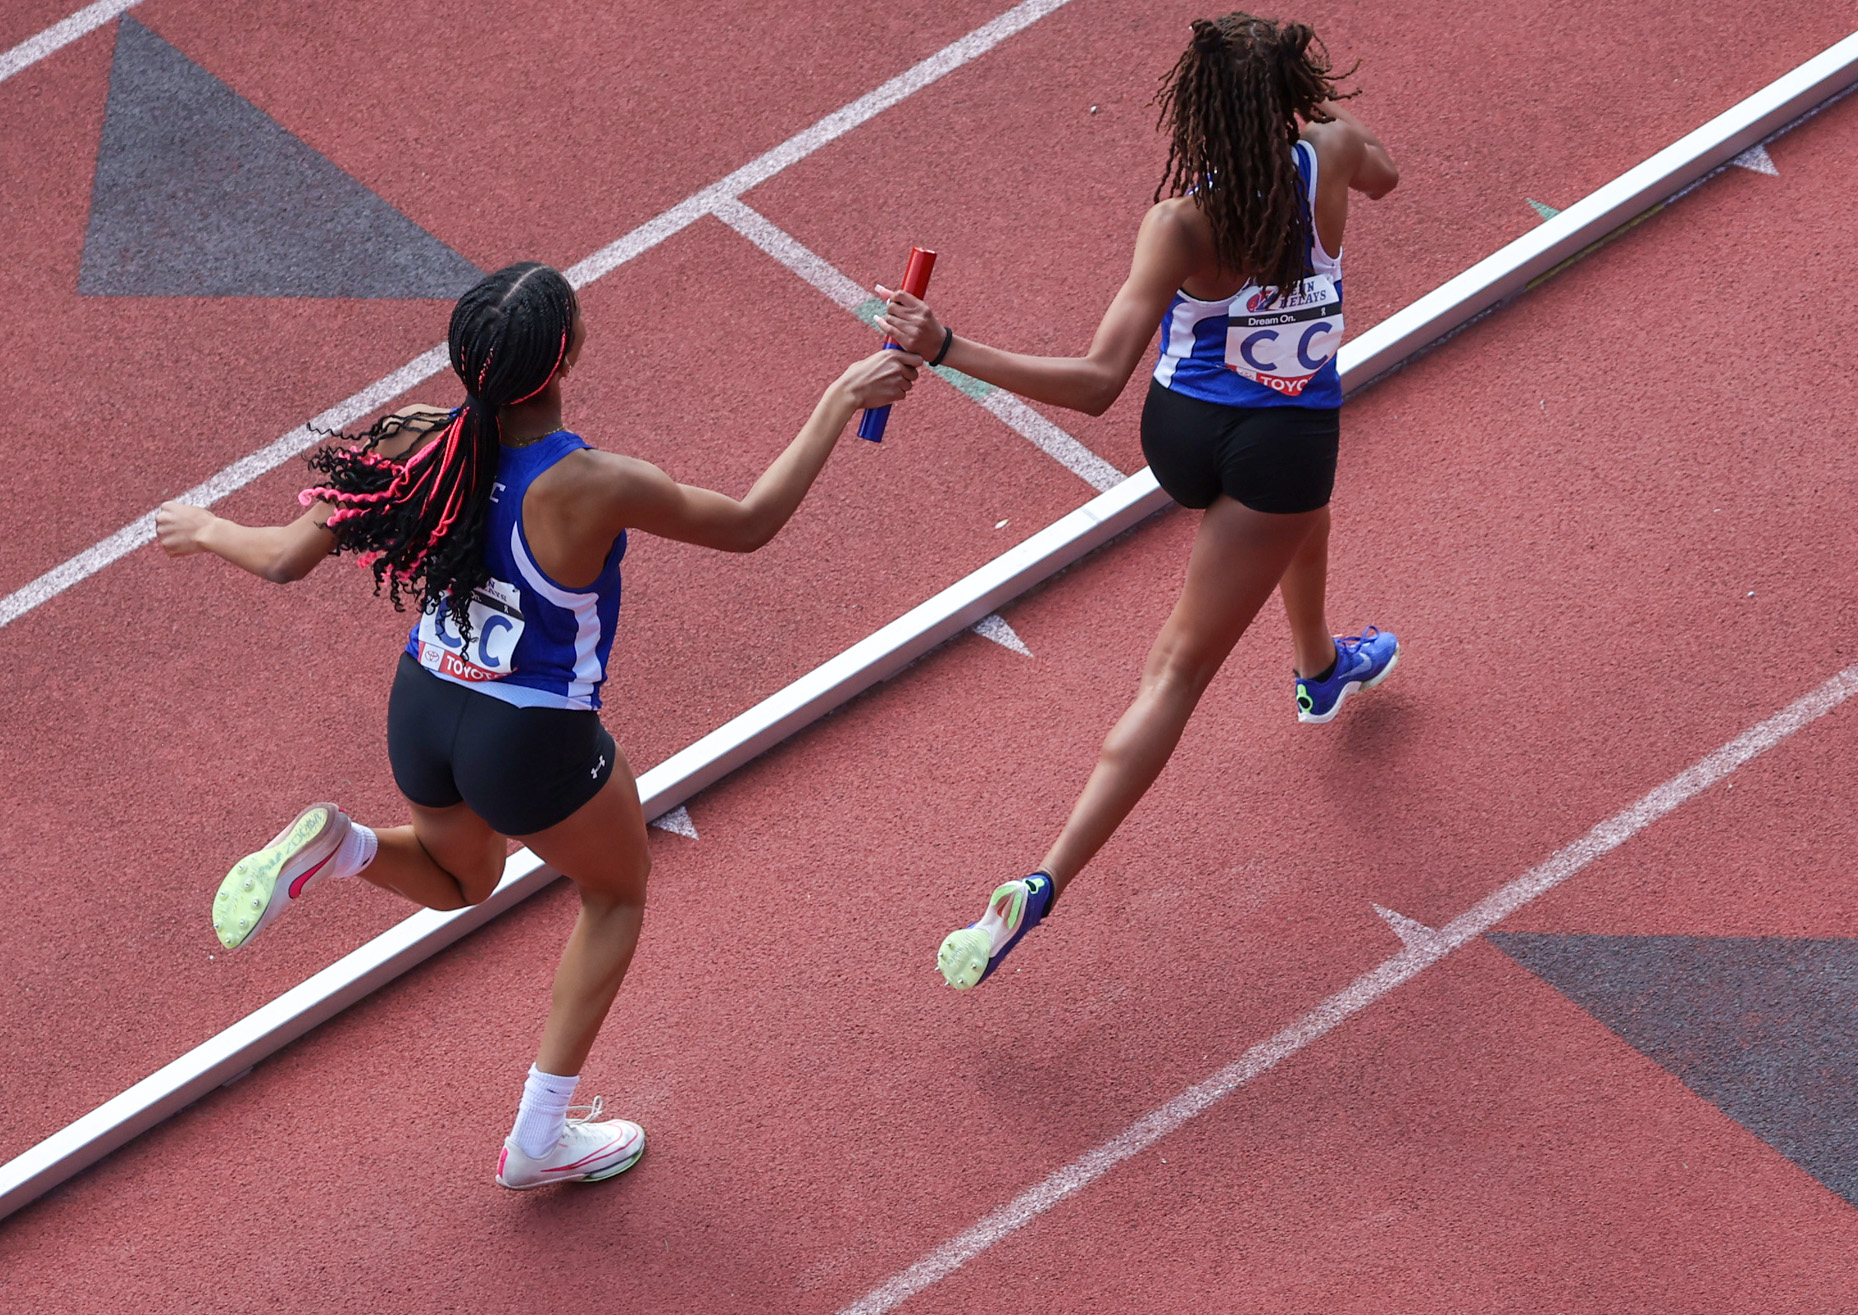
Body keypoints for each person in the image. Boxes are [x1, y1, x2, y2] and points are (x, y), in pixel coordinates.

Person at [156, 261, 919, 1183]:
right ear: (566, 358)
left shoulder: (419, 434)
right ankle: (538, 1139)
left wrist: (206, 527)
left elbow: (284, 556)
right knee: (617, 893)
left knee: (462, 879)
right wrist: (843, 395)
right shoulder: (592, 482)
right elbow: (752, 521)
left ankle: (341, 847)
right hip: (529, 737)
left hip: (424, 704)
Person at [873, 13, 1401, 990]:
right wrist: (1321, 127)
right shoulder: (1328, 153)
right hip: (1283, 445)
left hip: (1181, 435)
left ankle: (1321, 667)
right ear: (1291, 95)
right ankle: (1041, 881)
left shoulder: (1179, 225)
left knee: (1298, 523)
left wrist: (946, 346)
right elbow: (1386, 175)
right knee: (1175, 672)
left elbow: (1095, 382)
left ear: (1198, 116)